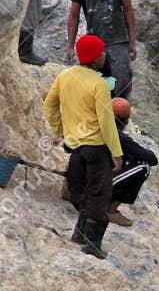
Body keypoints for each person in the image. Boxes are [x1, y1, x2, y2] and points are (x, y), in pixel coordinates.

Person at [43, 33, 122, 259]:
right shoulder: (99, 83)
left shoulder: (65, 75)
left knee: (83, 191)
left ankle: (79, 234)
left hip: (75, 147)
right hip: (97, 148)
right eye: (102, 52)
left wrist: (62, 130)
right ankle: (93, 245)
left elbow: (50, 105)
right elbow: (106, 121)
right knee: (99, 194)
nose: (105, 55)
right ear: (96, 58)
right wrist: (116, 153)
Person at [68, 0, 136, 100]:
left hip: (118, 39)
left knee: (123, 80)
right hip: (95, 41)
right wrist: (70, 45)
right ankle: (104, 116)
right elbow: (73, 15)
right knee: (100, 83)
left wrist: (132, 41)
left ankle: (120, 119)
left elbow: (128, 10)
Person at [107, 96, 159, 227]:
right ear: (125, 121)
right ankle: (110, 210)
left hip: (79, 180)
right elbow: (152, 159)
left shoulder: (91, 125)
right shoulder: (119, 137)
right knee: (143, 166)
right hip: (95, 185)